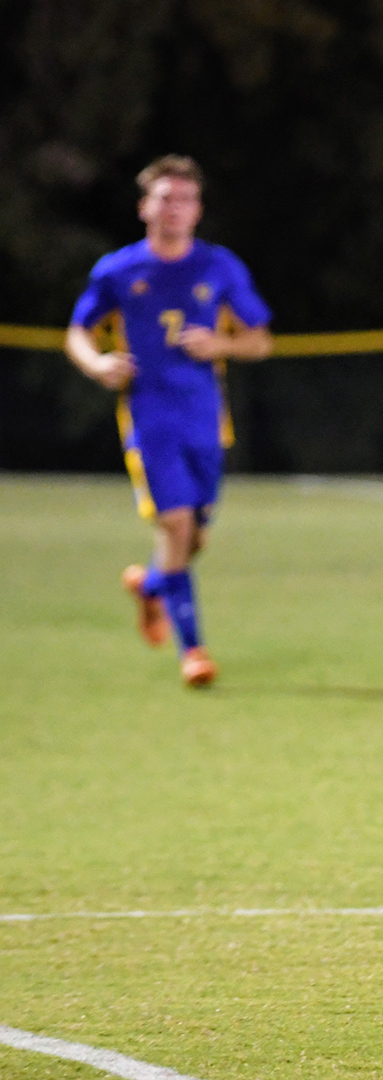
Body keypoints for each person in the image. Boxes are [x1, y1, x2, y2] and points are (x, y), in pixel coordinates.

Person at [64, 155, 274, 688]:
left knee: (194, 540)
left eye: (184, 199)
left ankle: (152, 586)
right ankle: (195, 651)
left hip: (205, 419)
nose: (174, 207)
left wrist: (219, 344)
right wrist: (97, 363)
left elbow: (260, 340)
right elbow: (78, 332)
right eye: (164, 197)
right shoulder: (117, 270)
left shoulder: (219, 266)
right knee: (176, 526)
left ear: (197, 210)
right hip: (148, 418)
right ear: (144, 207)